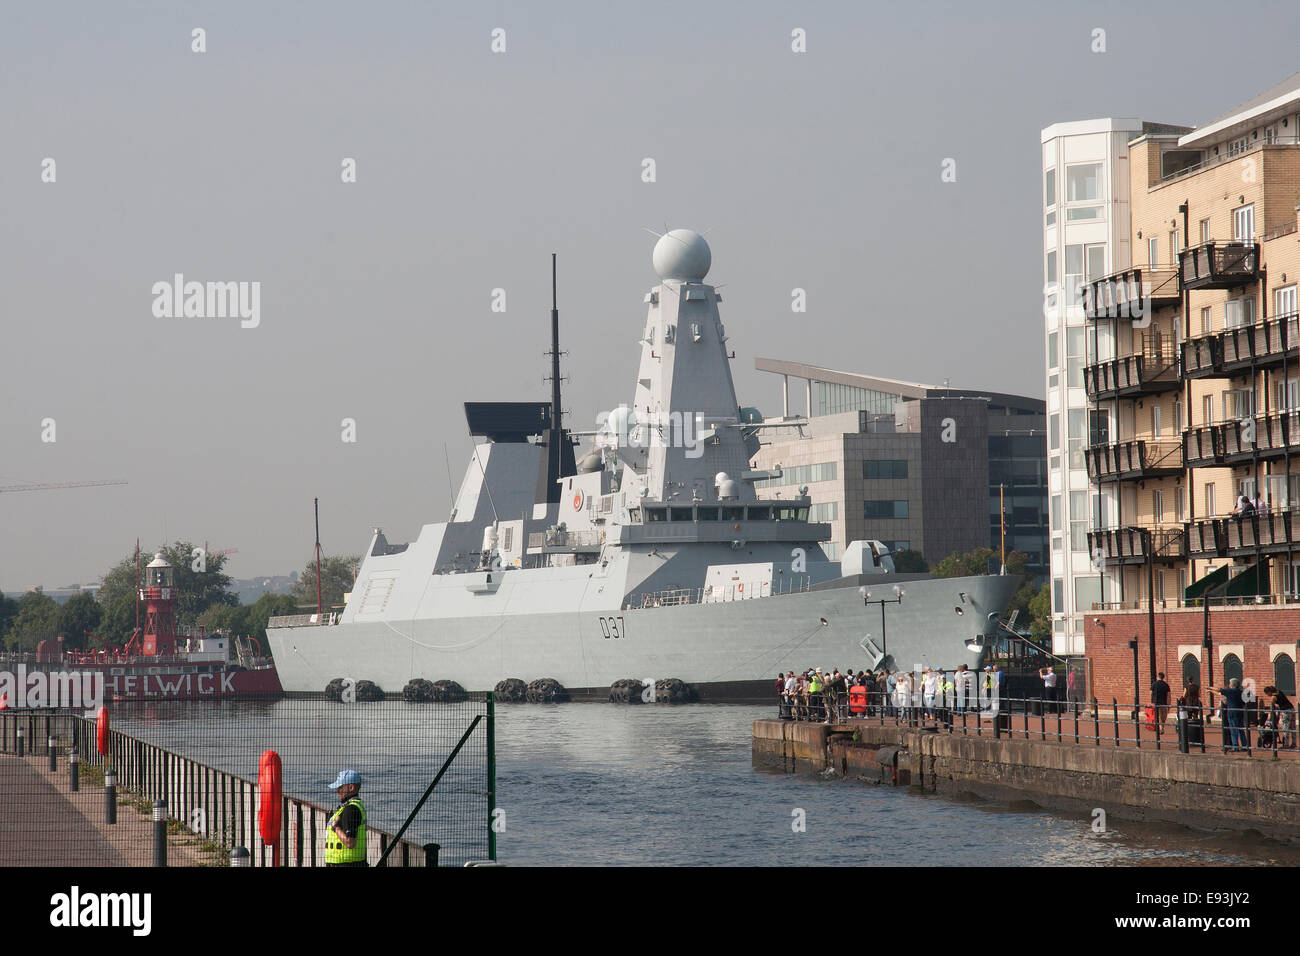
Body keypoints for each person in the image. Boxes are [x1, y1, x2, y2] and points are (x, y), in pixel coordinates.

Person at [325, 770, 368, 867]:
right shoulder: (349, 807)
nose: (337, 790)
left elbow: (350, 842)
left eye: (340, 787)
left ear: (351, 787)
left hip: (347, 863)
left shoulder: (351, 809)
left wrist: (336, 828)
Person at [1216, 678, 1249, 752]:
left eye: (1230, 683)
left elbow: (1219, 690)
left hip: (1232, 713)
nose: (1229, 684)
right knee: (1241, 730)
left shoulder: (1229, 691)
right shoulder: (1241, 692)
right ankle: (1244, 745)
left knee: (1233, 730)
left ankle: (1235, 746)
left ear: (1232, 684)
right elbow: (1244, 703)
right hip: (1240, 712)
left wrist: (1209, 688)